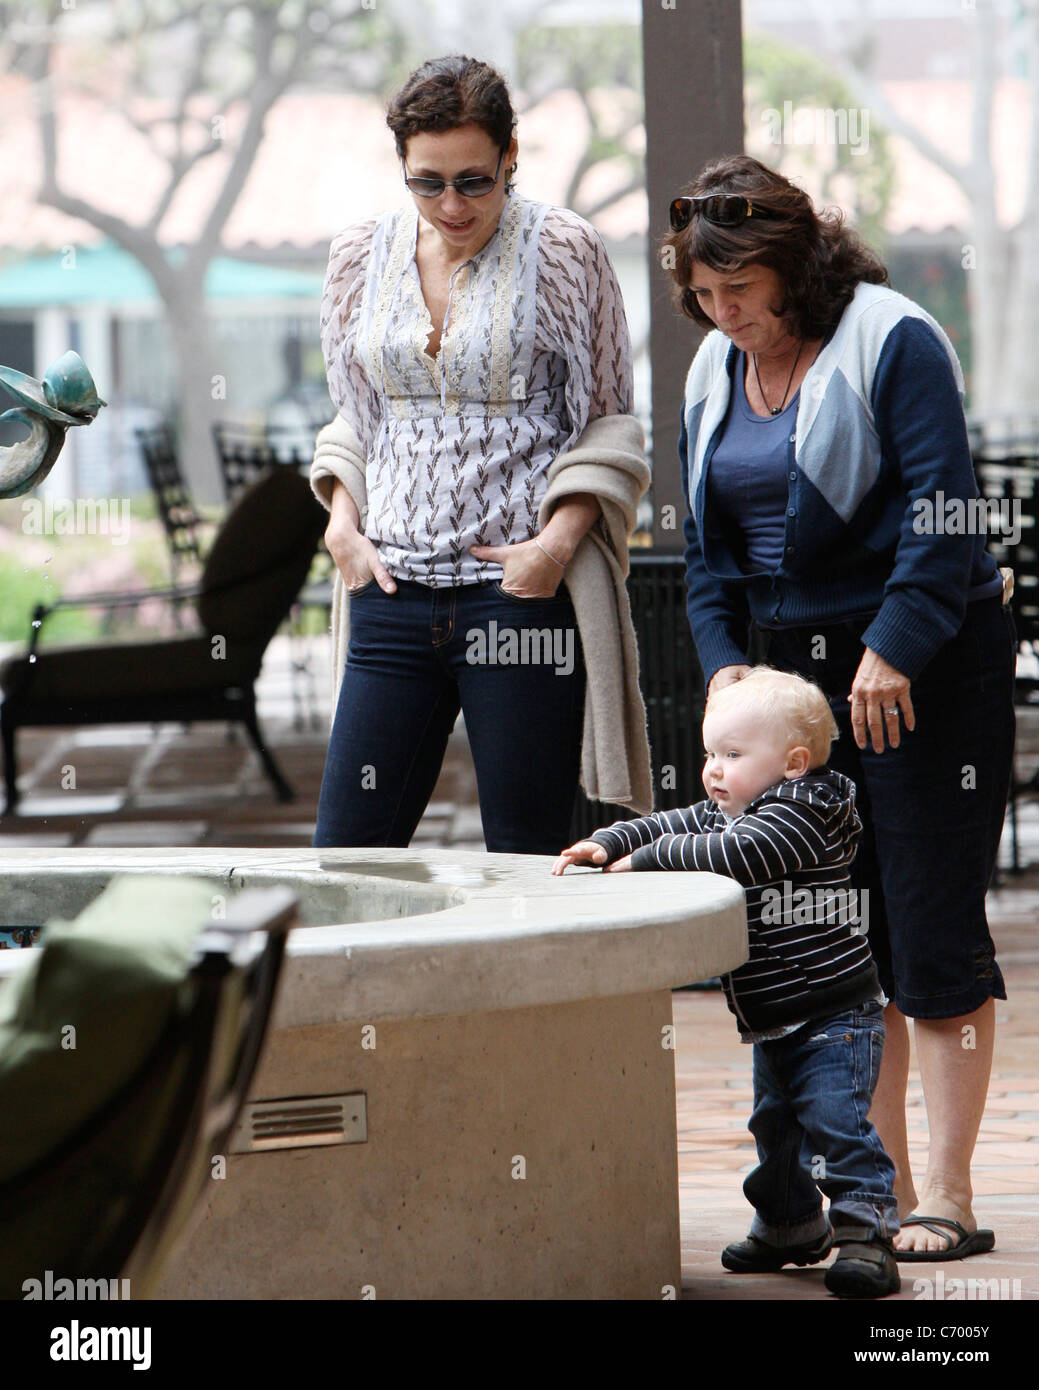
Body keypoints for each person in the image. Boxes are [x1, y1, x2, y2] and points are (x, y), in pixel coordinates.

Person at [659, 154, 1015, 1261]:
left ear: (797, 266)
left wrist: (891, 648)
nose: (725, 317)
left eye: (743, 292)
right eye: (705, 298)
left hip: (924, 668)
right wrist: (725, 668)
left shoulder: (889, 336)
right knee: (836, 939)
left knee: (927, 927)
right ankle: (875, 1196)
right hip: (802, 692)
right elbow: (706, 555)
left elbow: (942, 511)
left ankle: (947, 1194)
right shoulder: (712, 372)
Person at [310, 54, 651, 854]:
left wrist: (553, 548)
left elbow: (609, 421)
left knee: (527, 854)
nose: (451, 204)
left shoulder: (565, 249)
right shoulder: (359, 255)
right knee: (347, 849)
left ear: (511, 157)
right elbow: (355, 417)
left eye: (474, 180)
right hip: (388, 589)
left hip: (517, 596)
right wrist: (341, 528)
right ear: (401, 165)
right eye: (426, 182)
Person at [554, 667, 900, 1298]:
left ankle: (867, 1235)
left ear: (794, 762)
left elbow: (738, 854)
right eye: (710, 753)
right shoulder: (746, 807)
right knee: (775, 1130)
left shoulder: (809, 811)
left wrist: (645, 863)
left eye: (732, 754)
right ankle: (791, 1224)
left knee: (838, 1126)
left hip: (834, 1015)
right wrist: (608, 843)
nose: (713, 768)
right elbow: (673, 822)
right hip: (775, 1017)